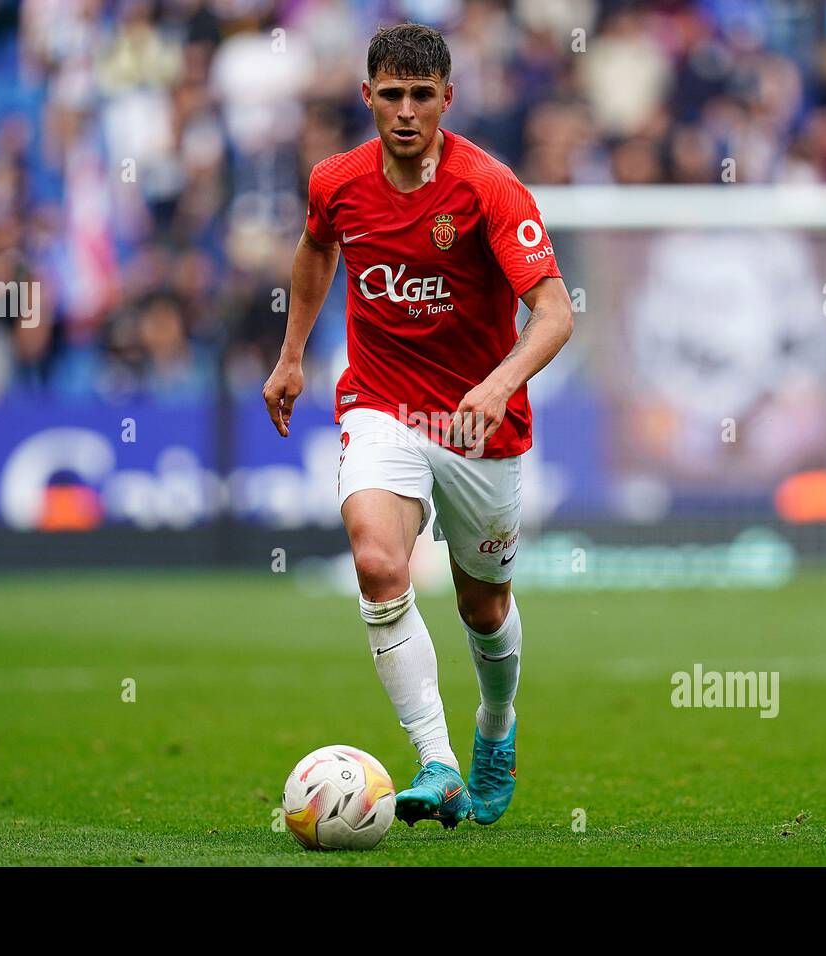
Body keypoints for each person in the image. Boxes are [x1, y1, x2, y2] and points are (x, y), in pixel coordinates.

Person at [262, 22, 573, 828]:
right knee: (376, 563)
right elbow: (314, 250)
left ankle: (495, 731)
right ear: (367, 96)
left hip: (477, 424)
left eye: (421, 96)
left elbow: (554, 311)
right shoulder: (336, 181)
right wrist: (293, 352)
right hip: (380, 402)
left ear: (447, 99)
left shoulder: (488, 187)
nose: (405, 112)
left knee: (484, 608)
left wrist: (502, 381)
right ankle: (436, 763)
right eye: (390, 95)